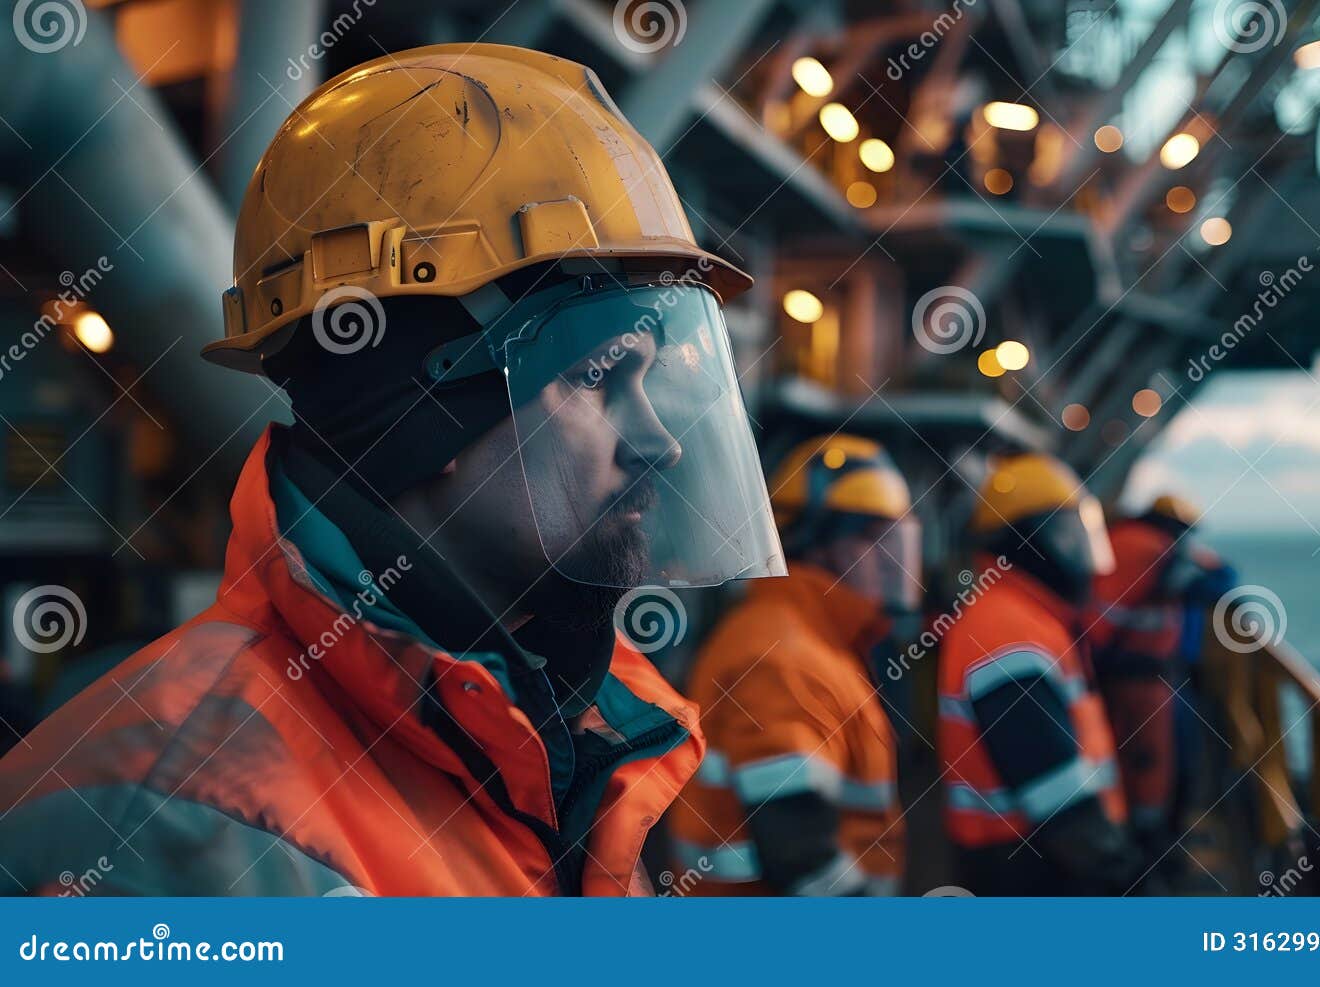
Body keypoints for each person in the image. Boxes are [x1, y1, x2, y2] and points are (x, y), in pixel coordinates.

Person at [0, 45, 787, 896]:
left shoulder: (570, 736)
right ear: (425, 410)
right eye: (597, 376)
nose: (660, 440)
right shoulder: (174, 827)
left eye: (652, 374)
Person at [668, 435, 920, 895]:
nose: (892, 562)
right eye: (873, 540)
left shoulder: (818, 639)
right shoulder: (784, 659)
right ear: (815, 544)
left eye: (895, 539)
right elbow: (803, 860)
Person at [936, 452, 1144, 895]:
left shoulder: (1028, 617)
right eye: (1069, 536)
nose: (1084, 557)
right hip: (1033, 874)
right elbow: (1063, 809)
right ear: (1025, 544)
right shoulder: (1006, 633)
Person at [1087, 493, 1235, 862]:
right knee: (1155, 764)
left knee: (1116, 761)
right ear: (1174, 527)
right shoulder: (1157, 550)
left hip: (1099, 669)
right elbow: (1217, 583)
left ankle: (1118, 839)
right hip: (1143, 679)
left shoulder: (1117, 538)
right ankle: (1152, 852)